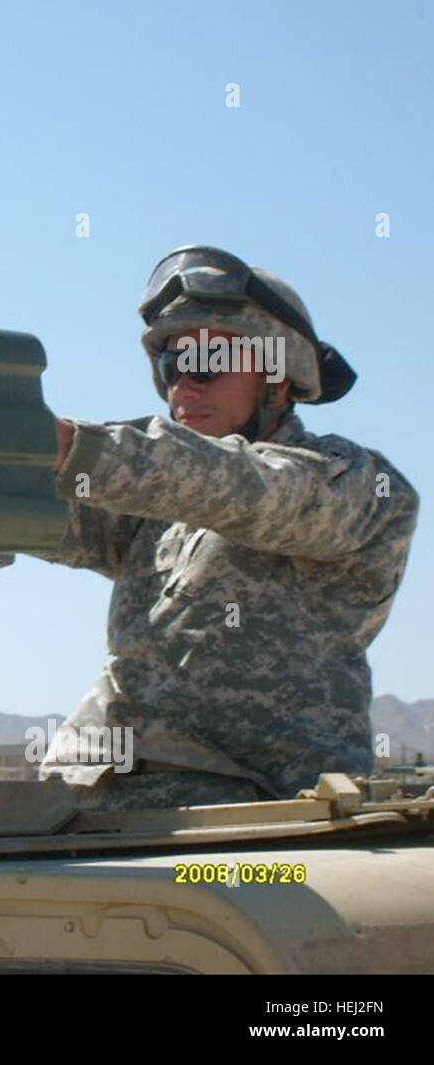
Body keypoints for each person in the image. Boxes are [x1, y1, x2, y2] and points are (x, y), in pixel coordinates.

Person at [34, 245, 419, 809]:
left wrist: (73, 446)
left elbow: (245, 488)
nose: (182, 388)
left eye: (207, 364)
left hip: (255, 816)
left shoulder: (356, 487)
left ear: (278, 376)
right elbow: (24, 508)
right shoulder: (154, 506)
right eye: (171, 367)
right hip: (87, 804)